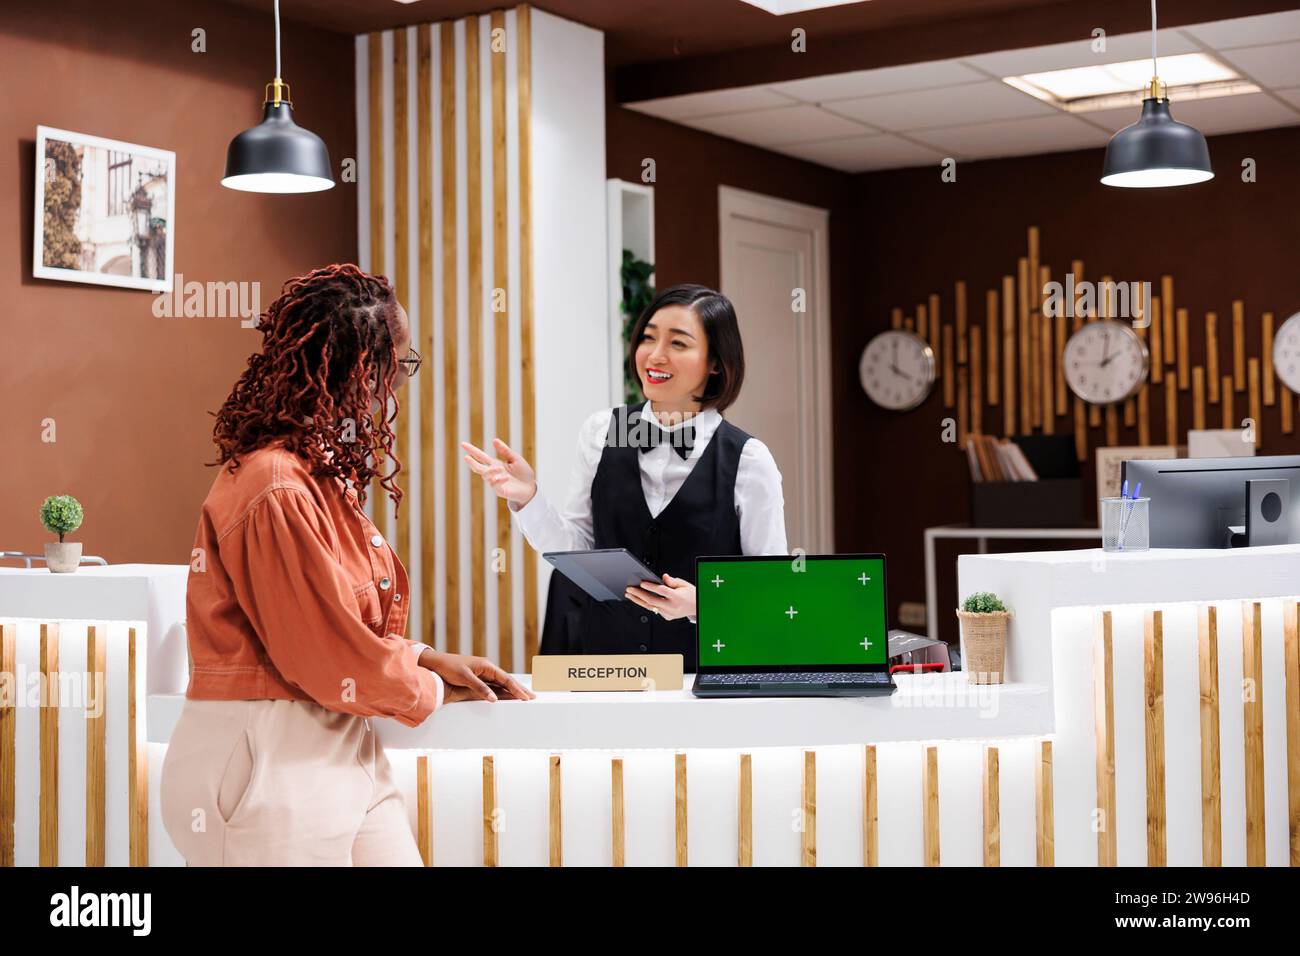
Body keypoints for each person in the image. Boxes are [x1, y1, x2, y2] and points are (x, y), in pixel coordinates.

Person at [161, 263, 532, 867]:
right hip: (267, 762)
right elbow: (321, 652)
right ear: (358, 369)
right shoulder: (276, 484)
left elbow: (338, 630)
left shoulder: (315, 471)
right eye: (400, 366)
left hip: (339, 745)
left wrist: (426, 658)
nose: (398, 386)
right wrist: (433, 686)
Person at [462, 283, 787, 671]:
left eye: (678, 344)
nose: (655, 355)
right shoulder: (601, 431)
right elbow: (577, 549)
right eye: (648, 338)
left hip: (701, 680)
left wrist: (701, 606)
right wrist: (528, 498)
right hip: (607, 670)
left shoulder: (750, 460)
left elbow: (771, 592)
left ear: (715, 362)